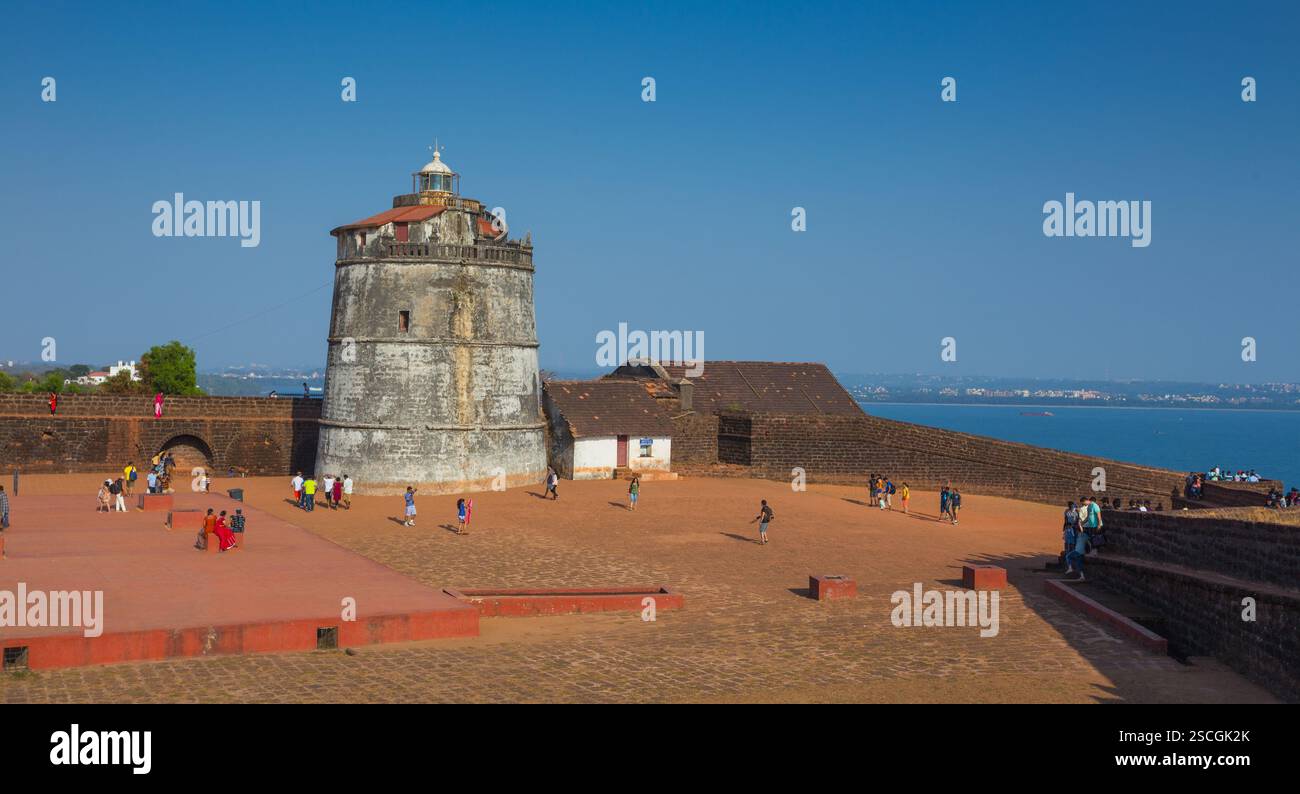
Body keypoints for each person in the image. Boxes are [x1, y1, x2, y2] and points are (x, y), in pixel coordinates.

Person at [0, 484, 8, 559]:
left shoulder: (1, 495)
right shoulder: (4, 494)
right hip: (2, 515)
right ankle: (2, 553)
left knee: (1, 535)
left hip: (1, 515)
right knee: (1, 535)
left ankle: (2, 552)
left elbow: (3, 506)